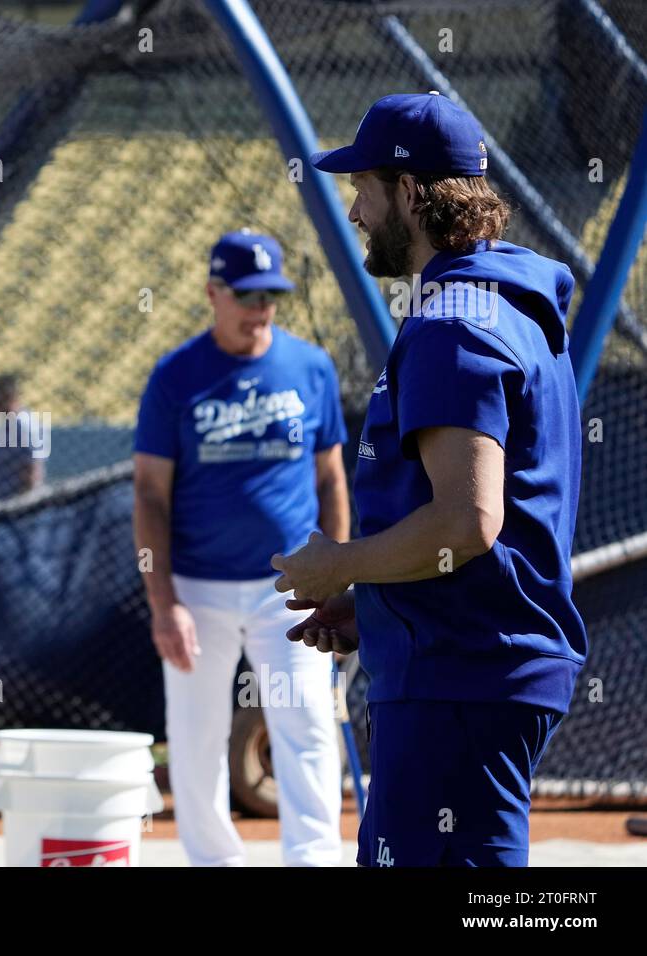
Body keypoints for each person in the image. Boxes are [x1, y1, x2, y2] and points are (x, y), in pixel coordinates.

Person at [275, 92, 586, 867]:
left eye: (365, 188)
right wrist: (378, 598)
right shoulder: (502, 304)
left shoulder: (454, 321)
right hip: (471, 661)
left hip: (462, 670)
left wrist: (341, 563)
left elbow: (465, 524)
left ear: (410, 193)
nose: (354, 211)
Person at [133, 231, 349, 866]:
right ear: (213, 294)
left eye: (272, 296)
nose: (261, 309)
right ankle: (213, 861)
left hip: (290, 586)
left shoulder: (310, 366)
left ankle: (313, 859)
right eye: (248, 296)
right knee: (195, 737)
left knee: (306, 723)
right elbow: (149, 493)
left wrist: (333, 574)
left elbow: (331, 476)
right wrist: (162, 601)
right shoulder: (176, 377)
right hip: (197, 589)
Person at [0, 373, 43, 504]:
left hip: (14, 506)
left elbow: (32, 469)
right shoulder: (8, 424)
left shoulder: (21, 424)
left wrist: (23, 506)